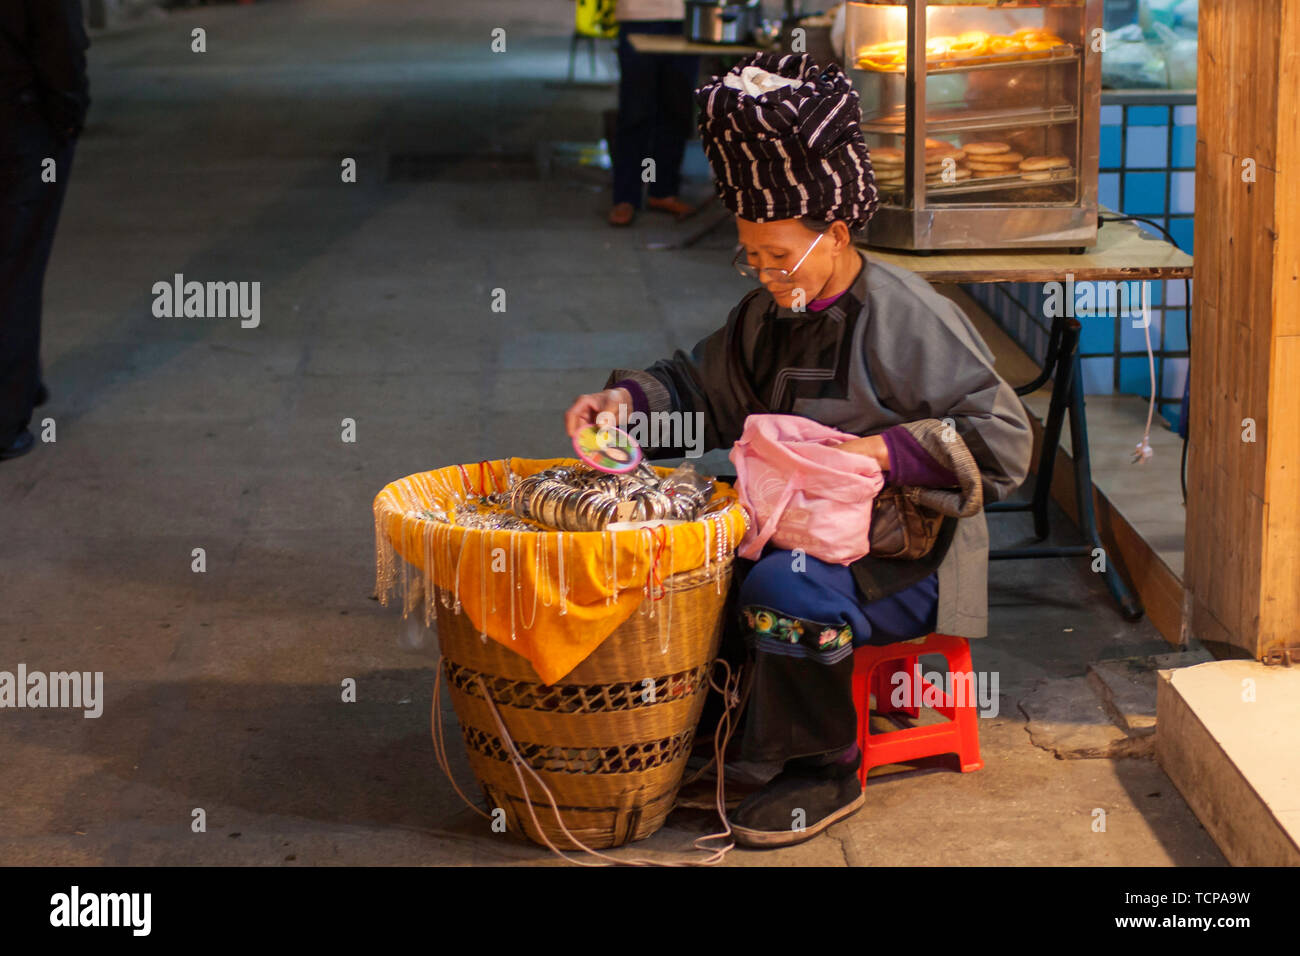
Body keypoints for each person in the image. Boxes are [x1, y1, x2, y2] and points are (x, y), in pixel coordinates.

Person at [565, 52, 1033, 848]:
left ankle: (824, 767)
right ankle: (718, 744)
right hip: (796, 523)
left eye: (780, 255)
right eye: (751, 255)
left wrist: (880, 455)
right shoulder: (765, 315)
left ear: (836, 233)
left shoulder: (906, 317)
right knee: (690, 564)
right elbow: (700, 386)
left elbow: (1004, 442)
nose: (767, 273)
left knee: (787, 586)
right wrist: (625, 403)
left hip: (912, 551)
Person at [0, 0, 89, 461]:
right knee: (17, 268)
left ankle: (23, 382)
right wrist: (70, 112)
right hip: (21, 125)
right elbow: (62, 43)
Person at [608, 0, 698, 227]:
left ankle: (663, 190)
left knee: (677, 108)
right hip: (640, 16)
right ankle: (625, 197)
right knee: (635, 111)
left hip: (689, 16)